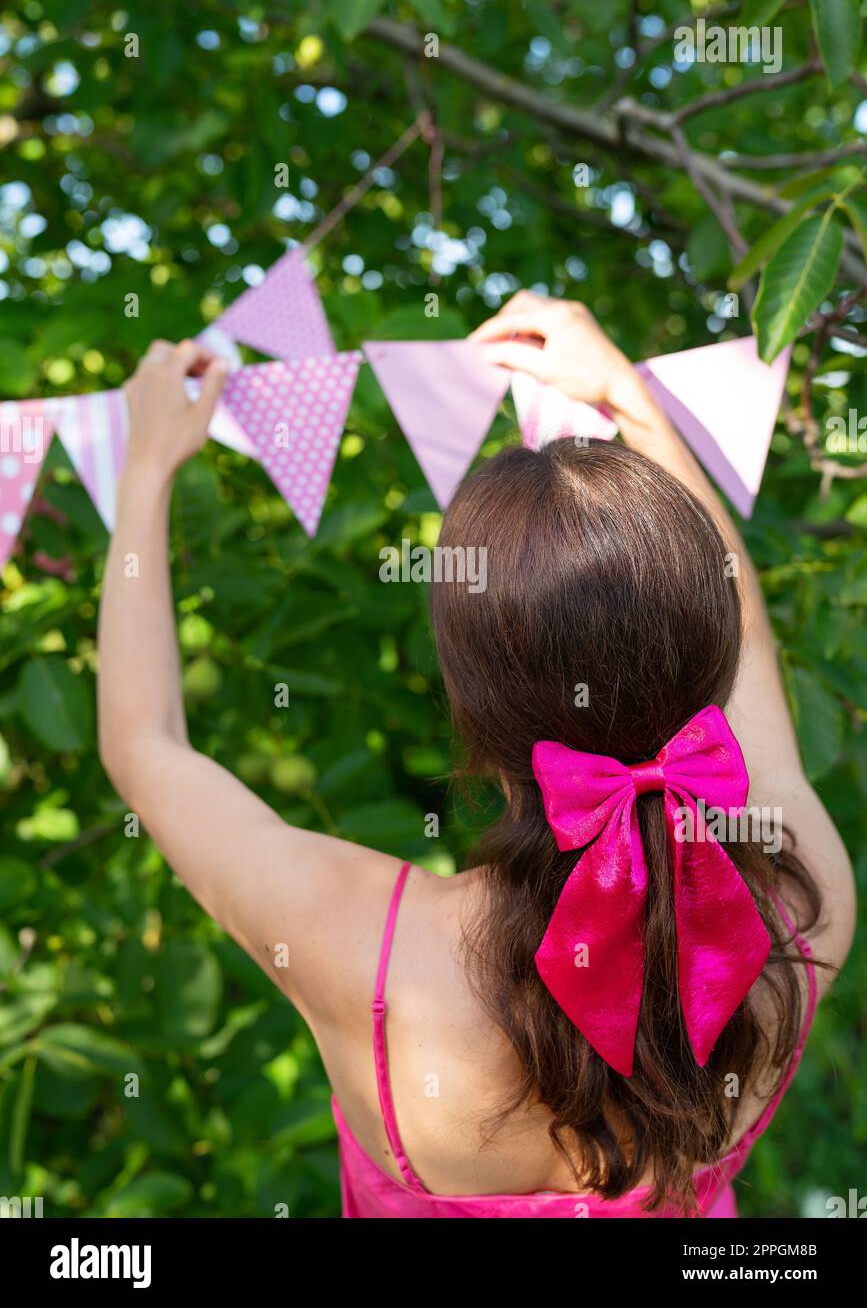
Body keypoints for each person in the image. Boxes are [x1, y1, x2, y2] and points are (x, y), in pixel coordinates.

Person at [98, 296, 854, 1218]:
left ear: (471, 712)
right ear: (713, 672)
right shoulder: (798, 906)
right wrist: (629, 398)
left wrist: (144, 470)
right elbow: (752, 638)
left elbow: (144, 747)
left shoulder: (360, 947)